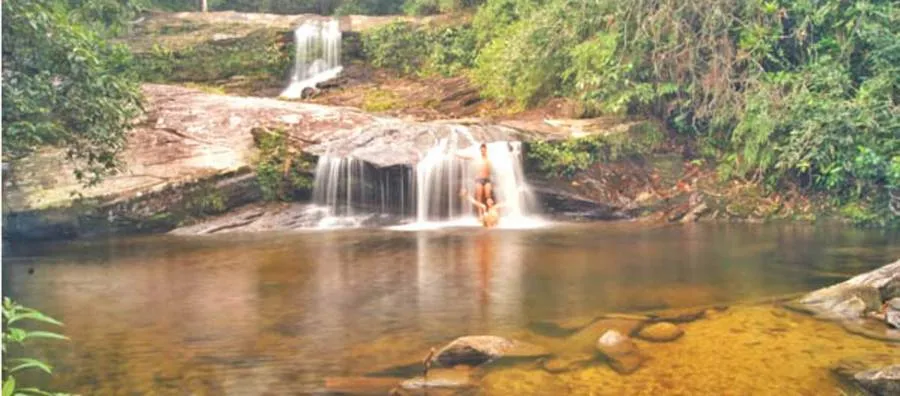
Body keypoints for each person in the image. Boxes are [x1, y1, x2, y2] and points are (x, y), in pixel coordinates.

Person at [456, 143, 493, 217]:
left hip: (487, 179)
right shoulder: (477, 158)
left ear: (486, 150)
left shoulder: (489, 158)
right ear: (480, 150)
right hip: (479, 179)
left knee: (488, 196)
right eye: (481, 150)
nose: (483, 151)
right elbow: (467, 157)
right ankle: (480, 215)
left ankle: (490, 213)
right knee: (479, 197)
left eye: (484, 150)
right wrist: (457, 155)